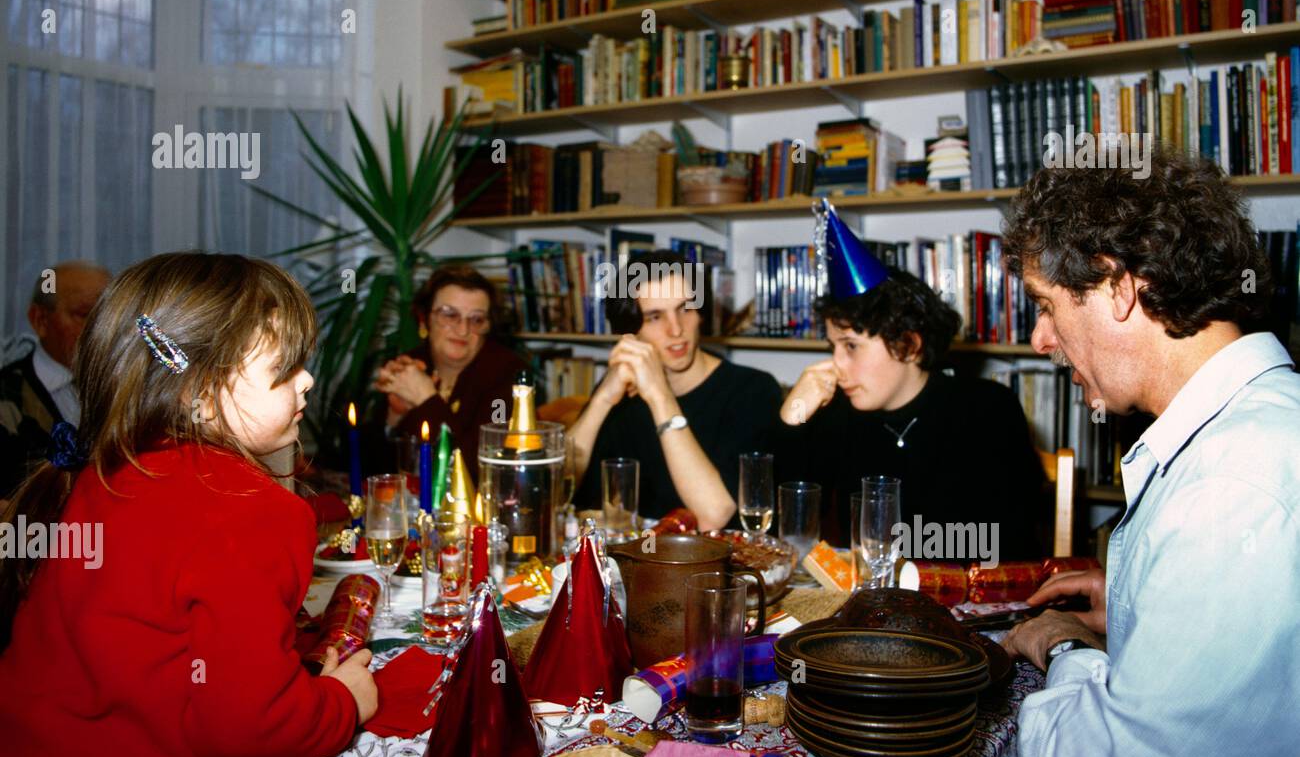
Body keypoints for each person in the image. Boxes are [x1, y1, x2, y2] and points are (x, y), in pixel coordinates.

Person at [963, 148, 1300, 757]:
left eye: (1048, 305)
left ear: (1119, 284)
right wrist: (1139, 610)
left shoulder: (1235, 486)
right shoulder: (1251, 428)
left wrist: (1065, 650)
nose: (1042, 339)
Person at [0, 252, 377, 757]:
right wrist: (341, 702)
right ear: (201, 393)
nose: (310, 380)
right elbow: (247, 724)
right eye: (286, 369)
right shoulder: (253, 507)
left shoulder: (111, 471)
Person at [774, 203, 1043, 559]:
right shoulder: (838, 415)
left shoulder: (987, 409)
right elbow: (786, 529)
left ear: (909, 345)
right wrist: (793, 420)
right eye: (833, 346)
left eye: (851, 346)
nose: (836, 365)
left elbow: (1013, 542)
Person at [571, 251, 783, 530]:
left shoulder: (753, 390)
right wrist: (602, 400)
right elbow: (551, 490)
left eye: (685, 308)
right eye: (655, 316)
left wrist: (660, 397)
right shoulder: (618, 394)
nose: (676, 330)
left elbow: (712, 516)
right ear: (629, 333)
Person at [373, 265, 525, 483]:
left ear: (488, 326)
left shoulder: (508, 374)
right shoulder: (409, 366)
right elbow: (374, 473)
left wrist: (426, 398)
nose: (462, 330)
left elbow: (484, 473)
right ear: (424, 319)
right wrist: (394, 416)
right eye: (449, 314)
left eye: (476, 319)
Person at [0, 262, 110, 499]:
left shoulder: (131, 390)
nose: (101, 328)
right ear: (40, 320)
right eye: (85, 314)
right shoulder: (6, 395)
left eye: (110, 316)